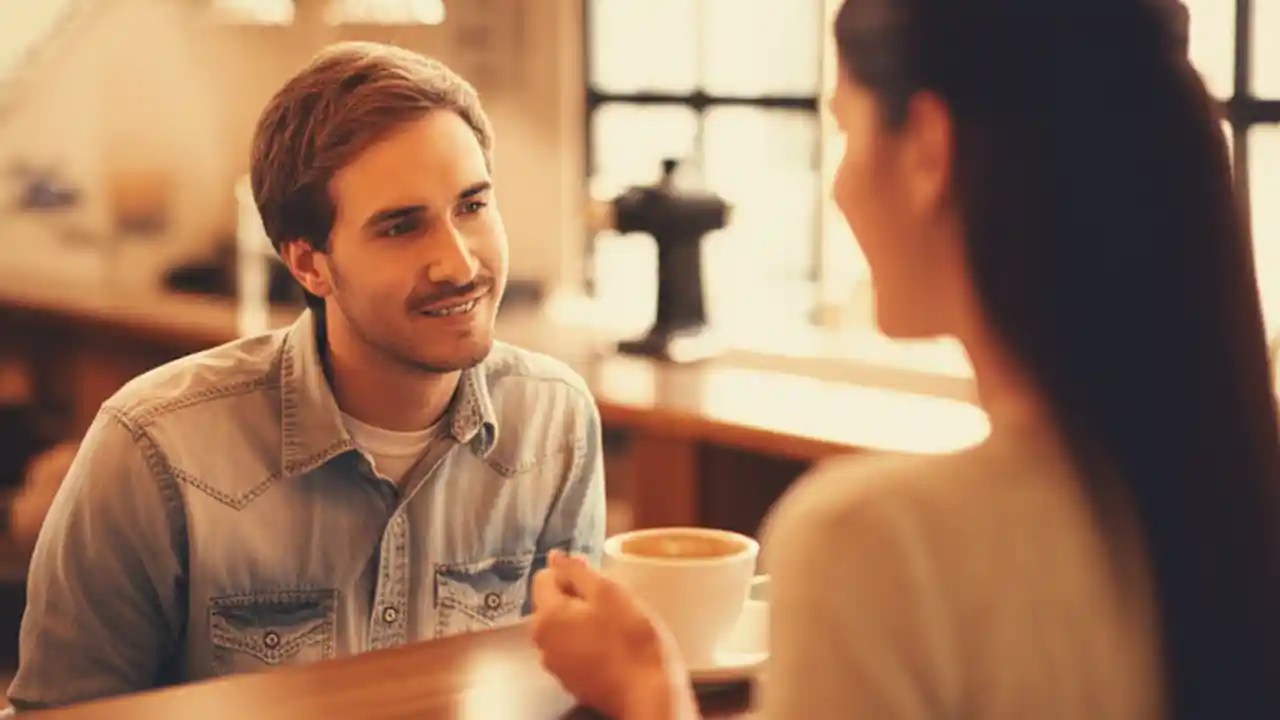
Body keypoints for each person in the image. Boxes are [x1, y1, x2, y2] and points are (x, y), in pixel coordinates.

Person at [530, 1, 1280, 718]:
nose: (841, 189)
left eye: (848, 133)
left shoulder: (876, 543)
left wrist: (645, 688)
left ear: (927, 149)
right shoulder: (1232, 499)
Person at [7, 42, 605, 710]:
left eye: (472, 206)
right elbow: (62, 713)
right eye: (401, 228)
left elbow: (570, 693)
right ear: (309, 265)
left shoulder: (555, 421)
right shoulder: (153, 447)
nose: (458, 263)